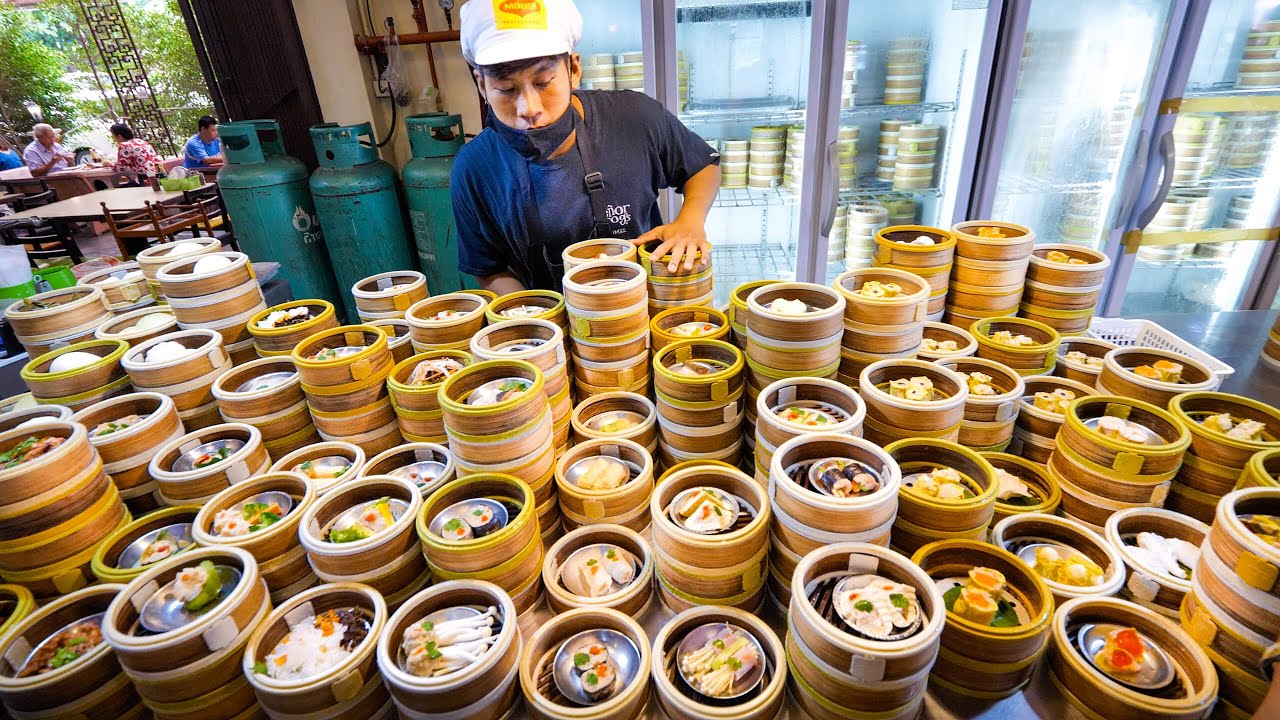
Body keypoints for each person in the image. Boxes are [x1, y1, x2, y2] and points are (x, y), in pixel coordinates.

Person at [452, 0, 719, 294]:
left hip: (642, 310)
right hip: (548, 322)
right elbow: (489, 269)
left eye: (543, 83)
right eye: (506, 89)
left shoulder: (633, 117)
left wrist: (690, 220)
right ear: (481, 84)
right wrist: (536, 318)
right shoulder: (474, 167)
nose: (529, 108)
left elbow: (703, 165)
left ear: (573, 69)